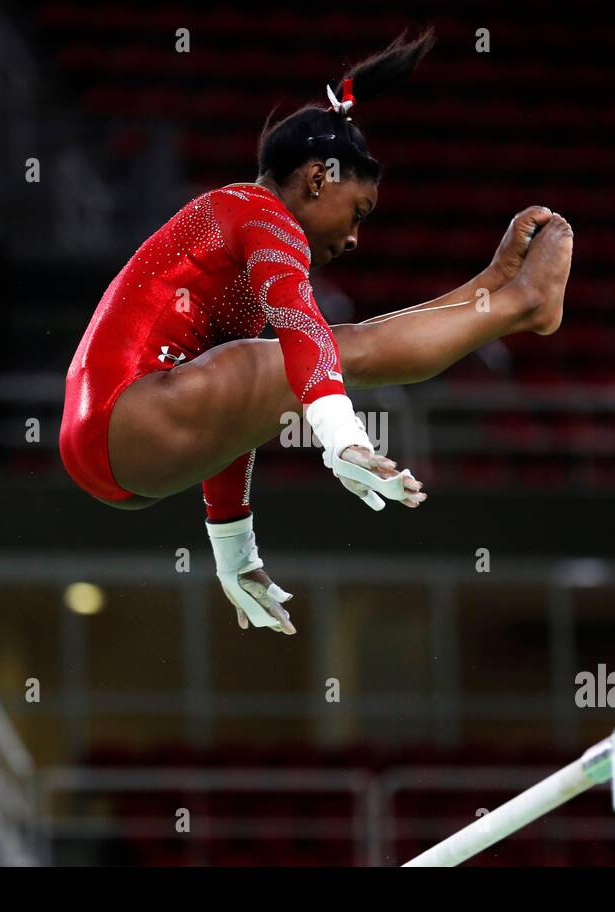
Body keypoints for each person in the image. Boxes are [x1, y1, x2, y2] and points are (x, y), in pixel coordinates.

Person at [59, 27, 573, 634]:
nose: (354, 238)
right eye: (357, 212)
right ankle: (521, 304)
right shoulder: (258, 213)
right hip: (126, 421)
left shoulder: (238, 240)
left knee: (315, 353)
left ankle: (496, 292)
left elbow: (237, 414)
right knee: (332, 347)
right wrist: (343, 440)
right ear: (316, 179)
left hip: (115, 451)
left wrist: (235, 553)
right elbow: (303, 332)